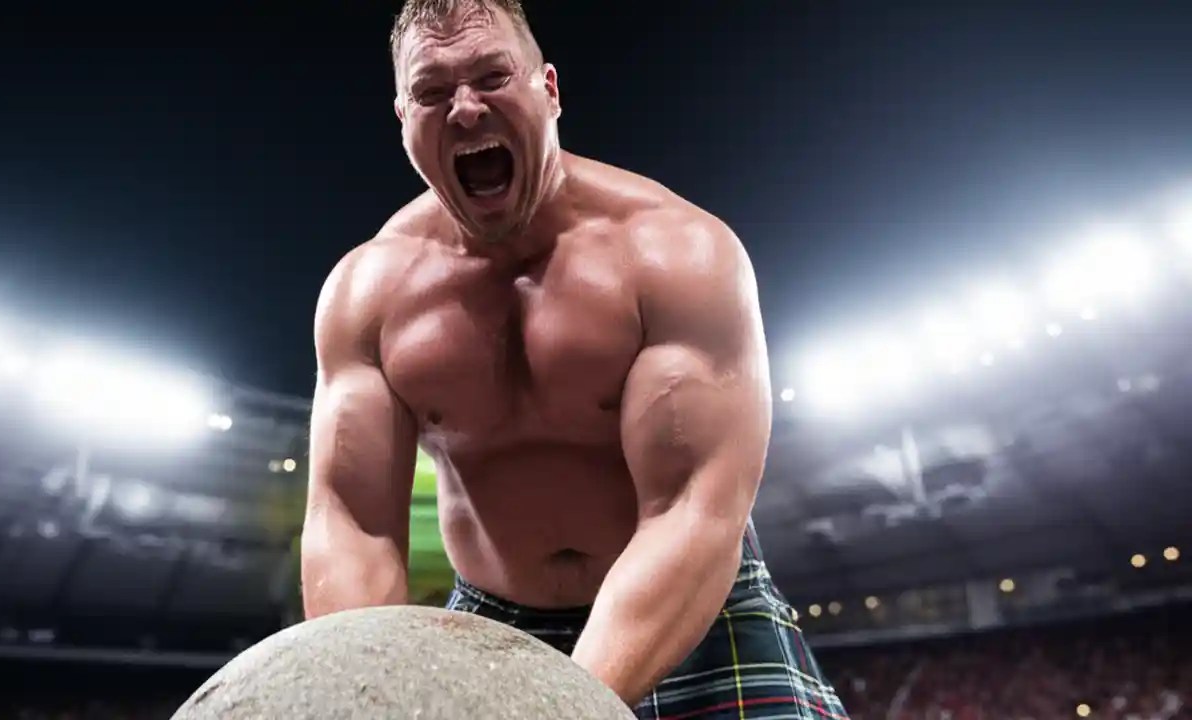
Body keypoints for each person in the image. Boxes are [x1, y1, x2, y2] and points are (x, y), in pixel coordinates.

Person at [301, 1, 848, 718]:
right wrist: (361, 697)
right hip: (493, 628)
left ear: (548, 90)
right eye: (432, 92)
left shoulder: (676, 253)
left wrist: (565, 705)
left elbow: (692, 509)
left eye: (492, 77)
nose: (465, 110)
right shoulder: (365, 296)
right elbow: (353, 522)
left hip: (696, 612)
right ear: (404, 119)